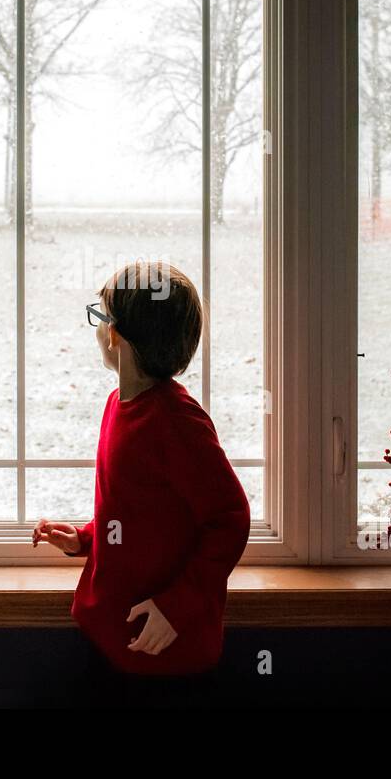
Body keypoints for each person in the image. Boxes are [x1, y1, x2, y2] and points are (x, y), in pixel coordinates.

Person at [33, 261, 251, 708]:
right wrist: (87, 538)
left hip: (165, 658)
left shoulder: (177, 421)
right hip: (111, 636)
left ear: (115, 335)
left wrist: (177, 606)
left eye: (101, 317)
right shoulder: (119, 403)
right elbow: (139, 513)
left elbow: (230, 519)